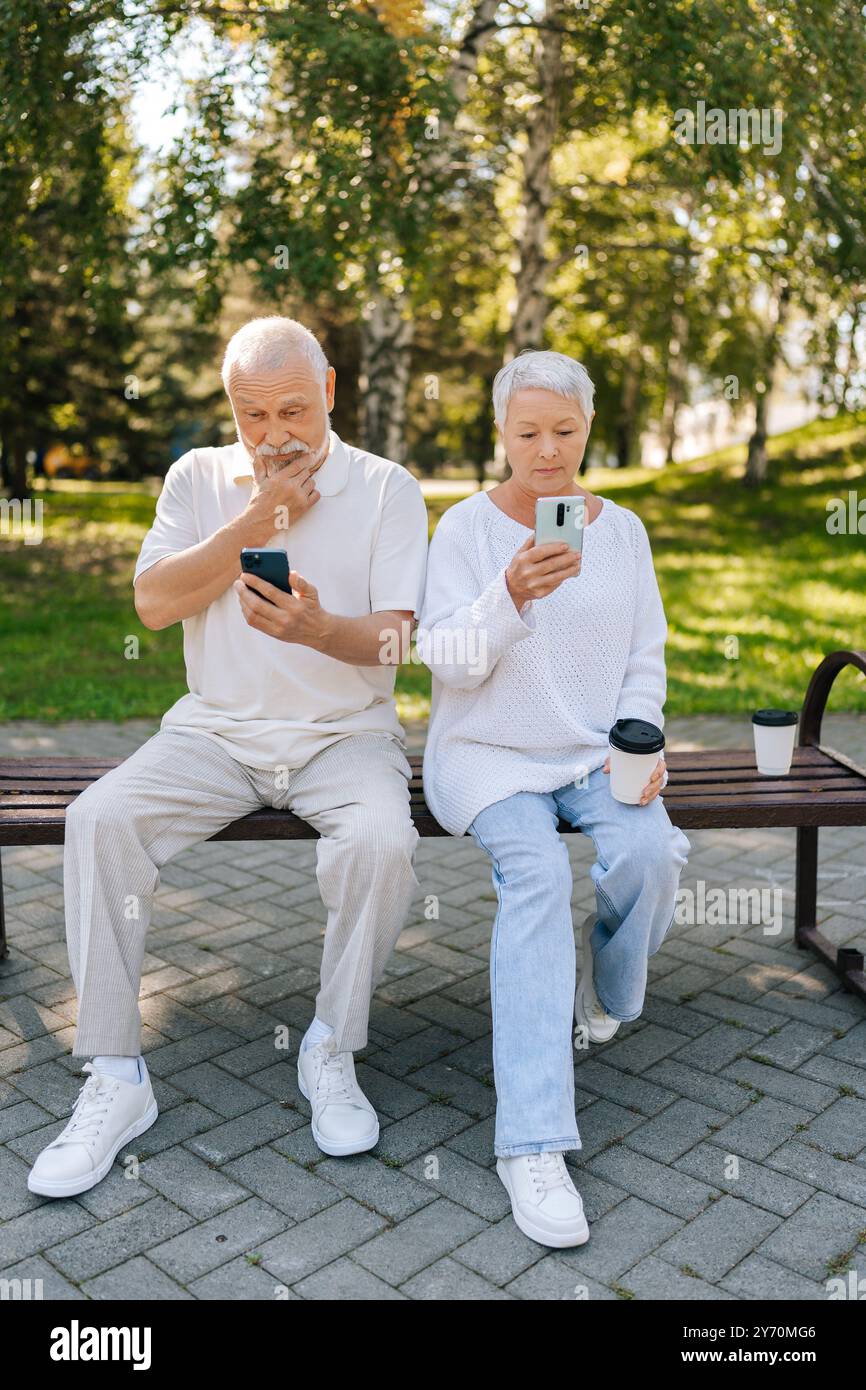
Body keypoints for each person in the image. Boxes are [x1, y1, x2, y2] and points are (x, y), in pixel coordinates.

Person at [28, 315, 429, 1198]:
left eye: (294, 408)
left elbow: (401, 641)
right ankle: (115, 1076)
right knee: (99, 819)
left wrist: (323, 630)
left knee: (380, 845)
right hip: (213, 732)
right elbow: (153, 605)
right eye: (253, 416)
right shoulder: (197, 477)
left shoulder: (388, 487)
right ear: (232, 411)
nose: (275, 433)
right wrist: (257, 520)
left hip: (345, 736)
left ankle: (330, 1046)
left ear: (330, 391)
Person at [415, 349, 691, 1248]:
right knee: (535, 876)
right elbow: (445, 660)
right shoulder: (462, 530)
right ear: (500, 433)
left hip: (590, 752)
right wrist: (508, 596)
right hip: (488, 753)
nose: (546, 451)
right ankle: (532, 1144)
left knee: (653, 853)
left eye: (563, 432)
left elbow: (644, 658)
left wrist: (640, 744)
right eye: (528, 432)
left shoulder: (627, 532)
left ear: (586, 431)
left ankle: (606, 996)